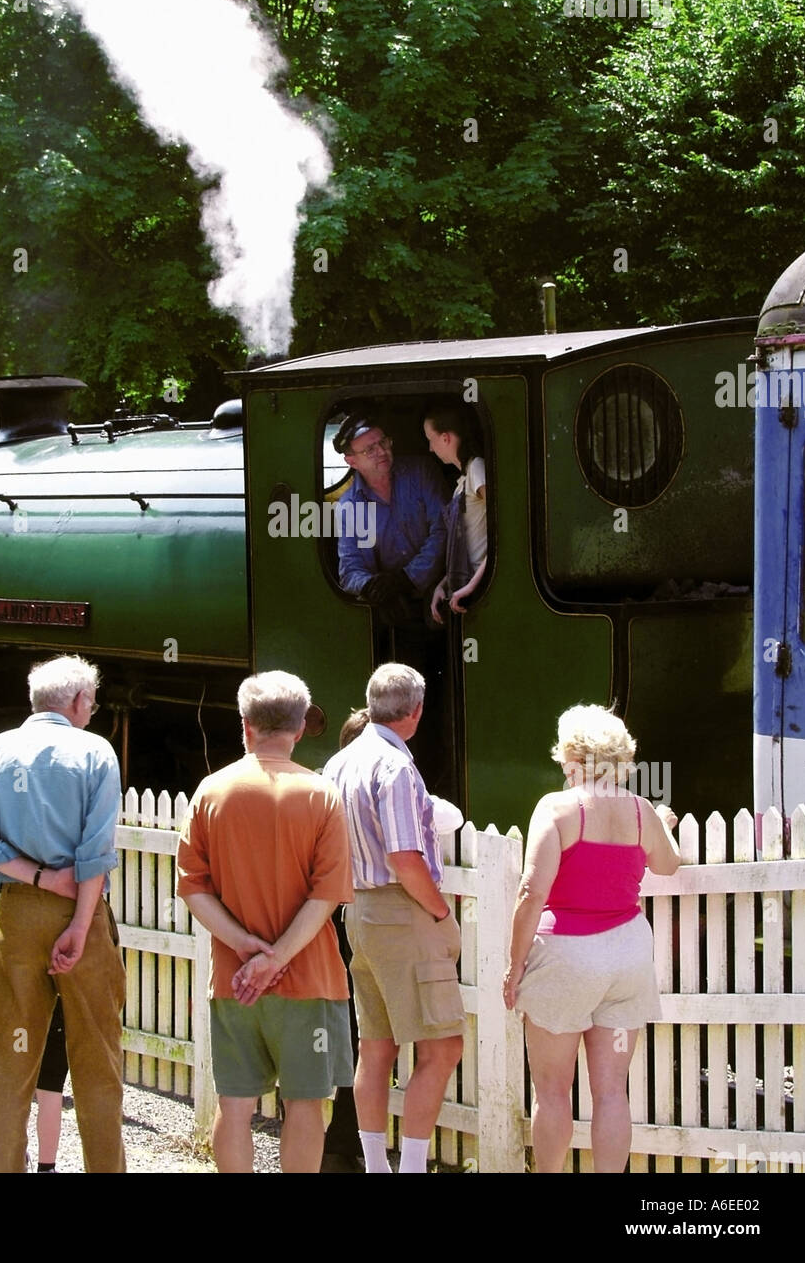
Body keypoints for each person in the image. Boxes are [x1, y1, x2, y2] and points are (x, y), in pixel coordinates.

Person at [177, 670, 354, 1174]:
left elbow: (193, 887)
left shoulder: (211, 791)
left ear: (245, 725)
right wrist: (277, 957)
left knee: (234, 1105)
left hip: (235, 982)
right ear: (299, 729)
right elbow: (327, 897)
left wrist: (248, 951)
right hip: (310, 978)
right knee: (305, 1106)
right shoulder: (321, 795)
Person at [0, 654, 126, 1174]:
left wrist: (35, 876)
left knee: (9, 1068)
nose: (92, 712)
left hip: (15, 914)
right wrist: (78, 924)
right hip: (81, 914)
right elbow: (96, 851)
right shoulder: (95, 752)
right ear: (78, 701)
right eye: (91, 704)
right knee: (98, 1063)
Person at [503, 704, 680, 1174]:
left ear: (572, 756)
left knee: (553, 1091)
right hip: (627, 958)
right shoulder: (641, 811)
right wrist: (663, 822)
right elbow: (668, 864)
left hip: (565, 959)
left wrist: (514, 966)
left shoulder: (557, 808)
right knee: (610, 1091)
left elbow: (531, 891)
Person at [323, 664, 465, 1174]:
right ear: (416, 711)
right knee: (443, 1044)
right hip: (401, 910)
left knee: (377, 1045)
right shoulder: (397, 767)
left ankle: (378, 1167)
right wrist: (440, 910)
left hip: (358, 910)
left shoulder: (337, 763)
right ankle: (409, 1168)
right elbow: (407, 858)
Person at [0, 899, 68, 1173]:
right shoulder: (66, 904)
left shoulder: (3, 901)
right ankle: (47, 1166)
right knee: (51, 1091)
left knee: (12, 1087)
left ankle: (12, 1157)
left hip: (18, 1006)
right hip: (58, 1006)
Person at [334, 411, 448, 624]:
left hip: (440, 590)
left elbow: (443, 529)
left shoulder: (422, 472)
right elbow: (350, 569)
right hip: (392, 607)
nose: (381, 451)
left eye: (383, 442)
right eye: (369, 450)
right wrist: (372, 587)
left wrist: (407, 577)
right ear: (352, 461)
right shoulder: (348, 506)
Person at [423, 401, 488, 622]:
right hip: (467, 587)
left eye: (431, 440)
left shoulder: (477, 469)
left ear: (445, 437)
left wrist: (471, 586)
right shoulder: (462, 480)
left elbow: (505, 532)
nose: (431, 448)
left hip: (482, 587)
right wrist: (443, 585)